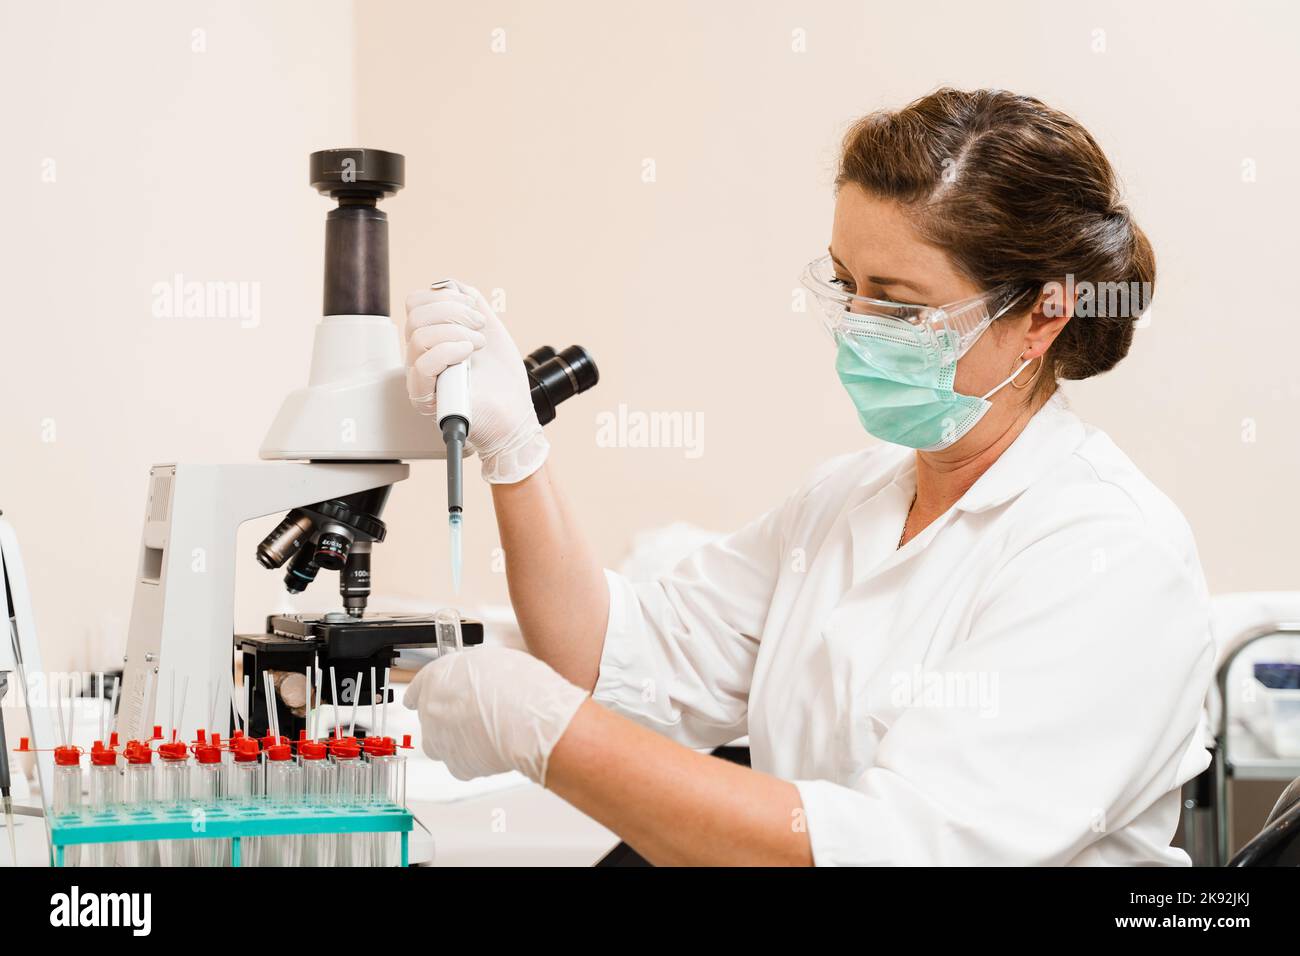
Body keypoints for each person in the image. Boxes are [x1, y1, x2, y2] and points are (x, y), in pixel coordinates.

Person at [401, 88, 1213, 866]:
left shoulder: (1108, 552)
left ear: (1042, 314)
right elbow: (613, 659)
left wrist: (550, 735)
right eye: (846, 284)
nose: (858, 328)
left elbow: (896, 850)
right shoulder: (845, 502)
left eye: (897, 303)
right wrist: (515, 453)